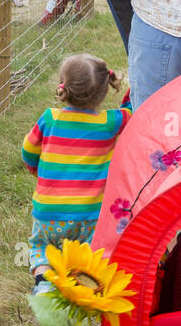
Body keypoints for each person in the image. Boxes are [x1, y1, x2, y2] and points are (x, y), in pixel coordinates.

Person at [22, 54, 131, 290]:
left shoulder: (49, 118)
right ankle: (85, 291)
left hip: (48, 213)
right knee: (90, 258)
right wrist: (130, 96)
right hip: (90, 214)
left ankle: (44, 285)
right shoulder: (110, 122)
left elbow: (28, 151)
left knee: (43, 250)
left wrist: (36, 170)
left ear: (64, 87)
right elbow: (131, 114)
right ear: (104, 91)